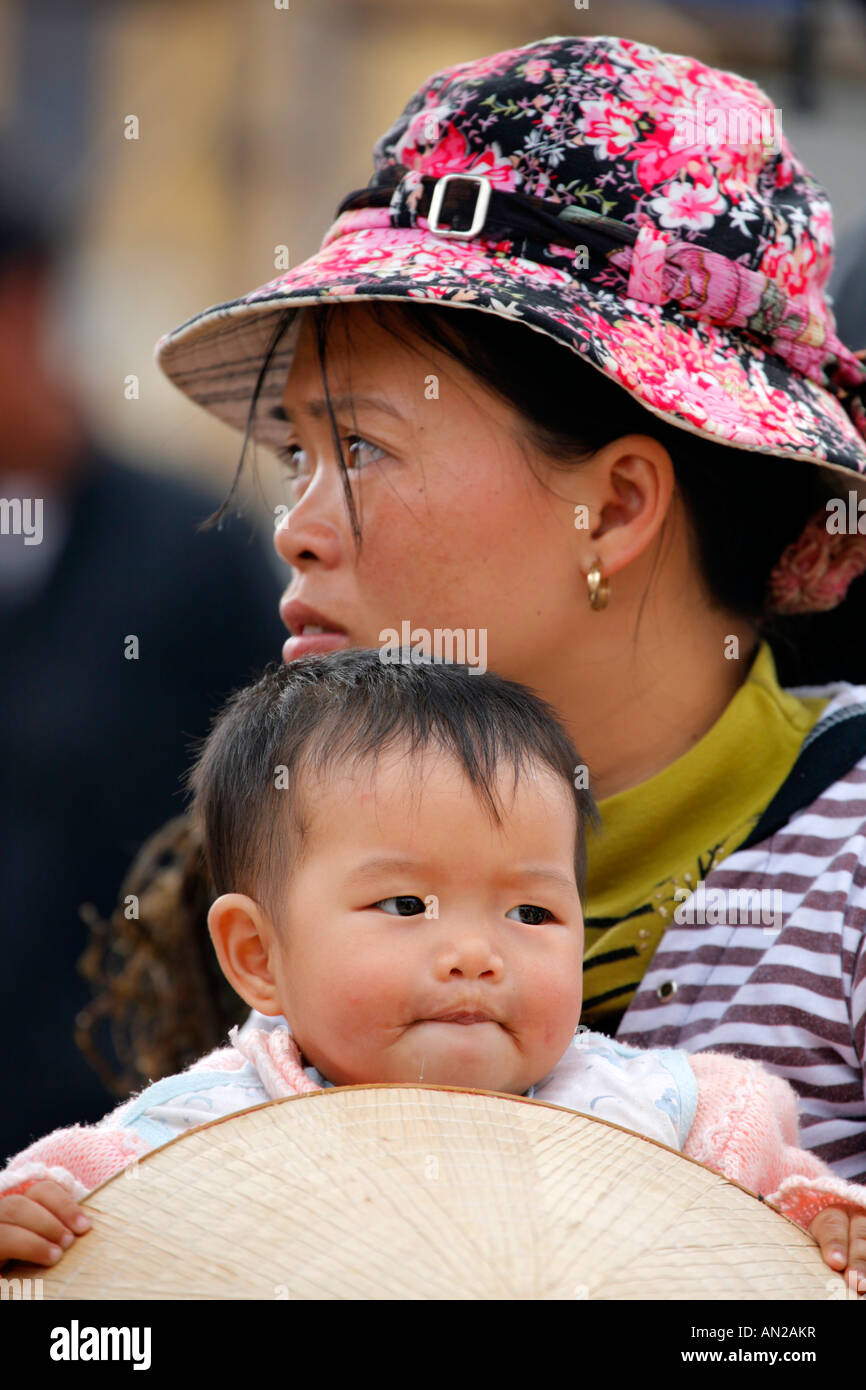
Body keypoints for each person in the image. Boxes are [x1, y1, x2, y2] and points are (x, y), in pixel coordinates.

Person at [77, 35, 866, 1182]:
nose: (297, 526)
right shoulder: (289, 860)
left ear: (615, 505)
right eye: (298, 450)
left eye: (361, 444)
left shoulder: (839, 892)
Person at [1, 651, 865, 1287]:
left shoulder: (665, 1109)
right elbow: (49, 1221)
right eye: (406, 907)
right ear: (258, 958)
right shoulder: (186, 1131)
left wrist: (823, 1220)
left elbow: (783, 1219)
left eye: (532, 913)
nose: (476, 955)